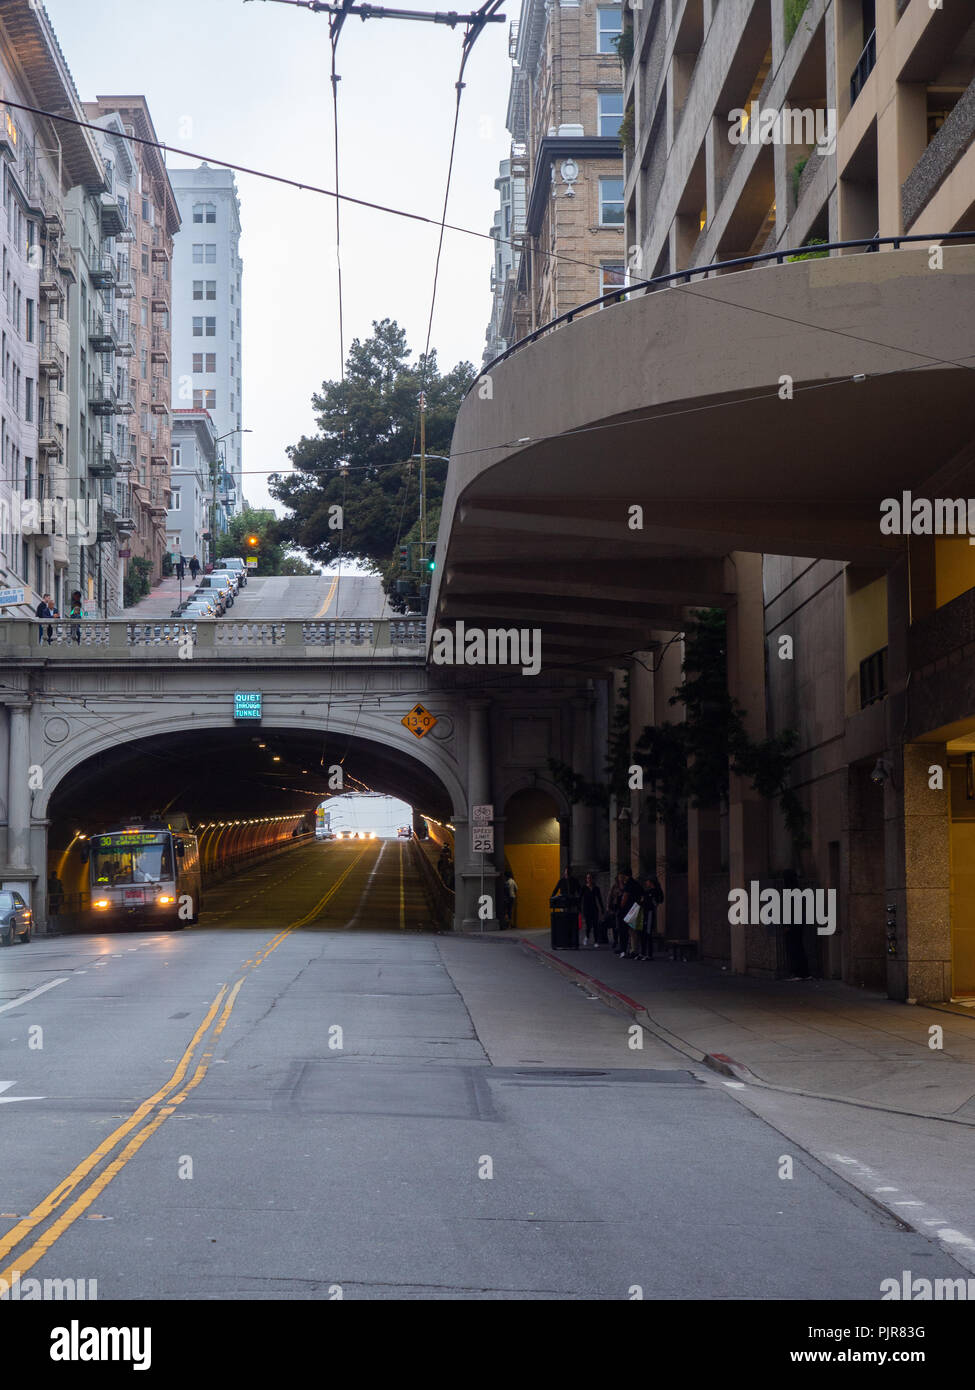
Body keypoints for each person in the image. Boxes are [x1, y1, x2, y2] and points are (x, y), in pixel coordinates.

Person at [616, 870, 644, 958]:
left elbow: (624, 897)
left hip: (628, 910)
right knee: (633, 930)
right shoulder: (636, 884)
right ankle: (634, 949)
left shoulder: (629, 884)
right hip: (636, 908)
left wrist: (620, 906)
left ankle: (627, 950)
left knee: (626, 930)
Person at [640, 872, 664, 960]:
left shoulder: (655, 891)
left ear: (651, 882)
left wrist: (651, 901)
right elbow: (642, 901)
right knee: (643, 933)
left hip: (650, 913)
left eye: (647, 881)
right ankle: (643, 953)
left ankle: (649, 954)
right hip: (644, 912)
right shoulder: (648, 891)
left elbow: (657, 901)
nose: (646, 883)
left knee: (648, 933)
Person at [580, 871, 604, 948]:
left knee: (595, 925)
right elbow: (580, 898)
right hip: (587, 908)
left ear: (592, 879)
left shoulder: (596, 888)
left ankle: (596, 941)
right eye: (588, 878)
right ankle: (586, 937)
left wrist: (602, 908)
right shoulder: (584, 888)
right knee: (588, 925)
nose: (589, 879)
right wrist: (579, 908)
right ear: (586, 879)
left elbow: (599, 899)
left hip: (594, 908)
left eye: (590, 878)